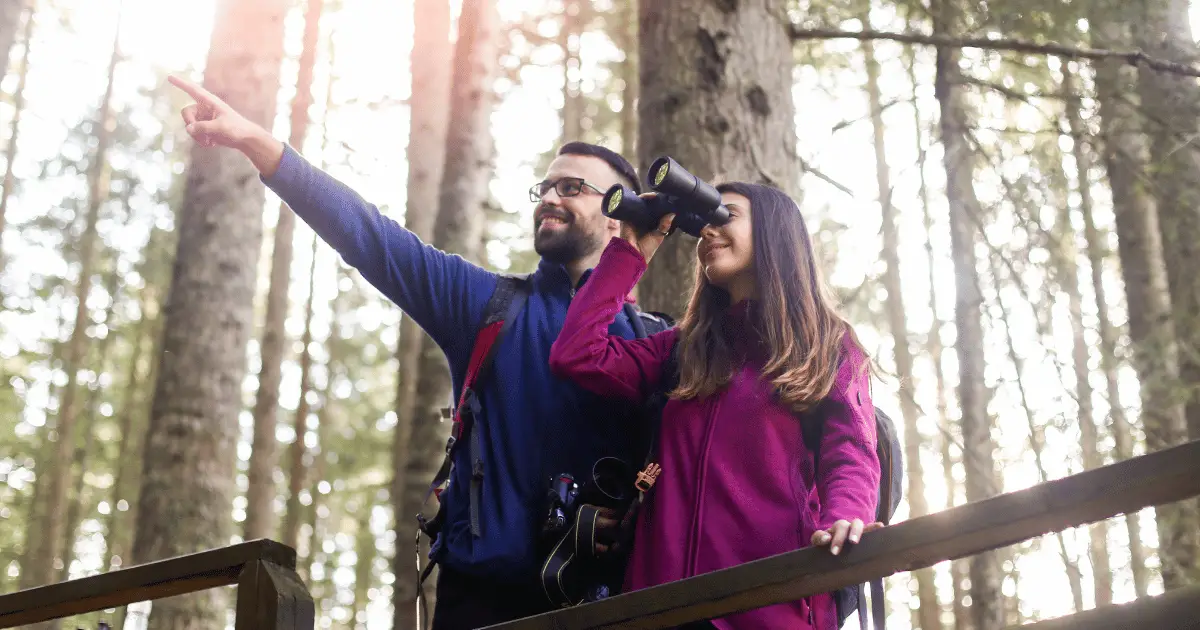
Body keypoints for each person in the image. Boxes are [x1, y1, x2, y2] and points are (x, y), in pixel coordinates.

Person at [167, 75, 669, 628]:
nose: (549, 197)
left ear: (619, 213)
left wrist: (629, 518)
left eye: (572, 187)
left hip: (605, 604)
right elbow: (370, 237)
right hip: (478, 602)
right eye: (544, 187)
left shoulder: (654, 338)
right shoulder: (488, 303)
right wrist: (253, 141)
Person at [548, 182, 883, 630]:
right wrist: (631, 250)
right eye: (704, 221)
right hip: (658, 607)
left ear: (775, 232)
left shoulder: (826, 344)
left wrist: (846, 518)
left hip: (772, 606)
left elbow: (851, 451)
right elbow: (577, 356)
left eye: (727, 216)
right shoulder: (683, 349)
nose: (707, 230)